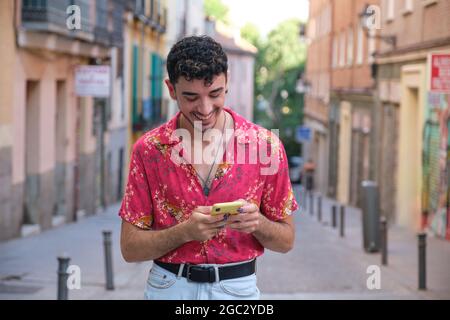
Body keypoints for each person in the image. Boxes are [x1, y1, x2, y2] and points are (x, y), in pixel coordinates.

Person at [119, 36, 298, 300]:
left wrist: (257, 223)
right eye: (191, 97)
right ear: (171, 89)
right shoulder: (149, 149)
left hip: (237, 289)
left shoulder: (265, 146)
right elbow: (130, 249)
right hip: (169, 287)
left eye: (215, 94)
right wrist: (184, 232)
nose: (204, 109)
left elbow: (286, 241)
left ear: (227, 80)